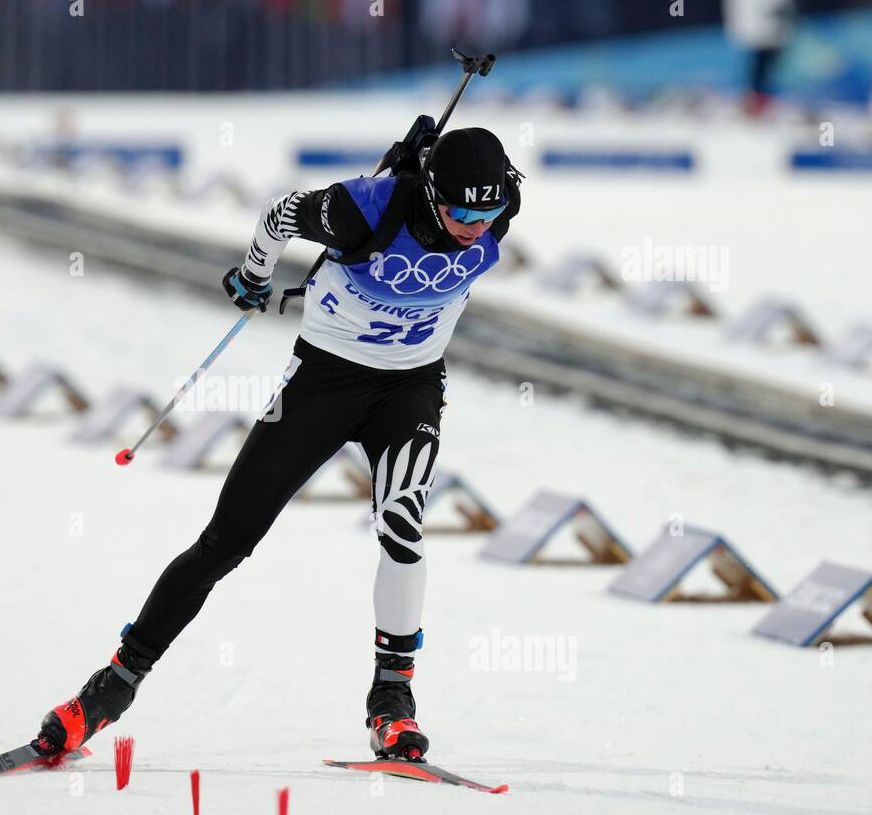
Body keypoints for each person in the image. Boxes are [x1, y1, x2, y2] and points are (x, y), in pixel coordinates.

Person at [34, 127, 523, 761]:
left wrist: (481, 212)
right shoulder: (364, 208)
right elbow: (282, 213)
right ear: (432, 193)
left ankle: (392, 704)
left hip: (410, 385)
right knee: (226, 543)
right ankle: (109, 690)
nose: (475, 227)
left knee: (402, 525)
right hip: (323, 381)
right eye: (462, 211)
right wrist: (253, 273)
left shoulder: (500, 206)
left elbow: (483, 208)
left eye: (488, 213)